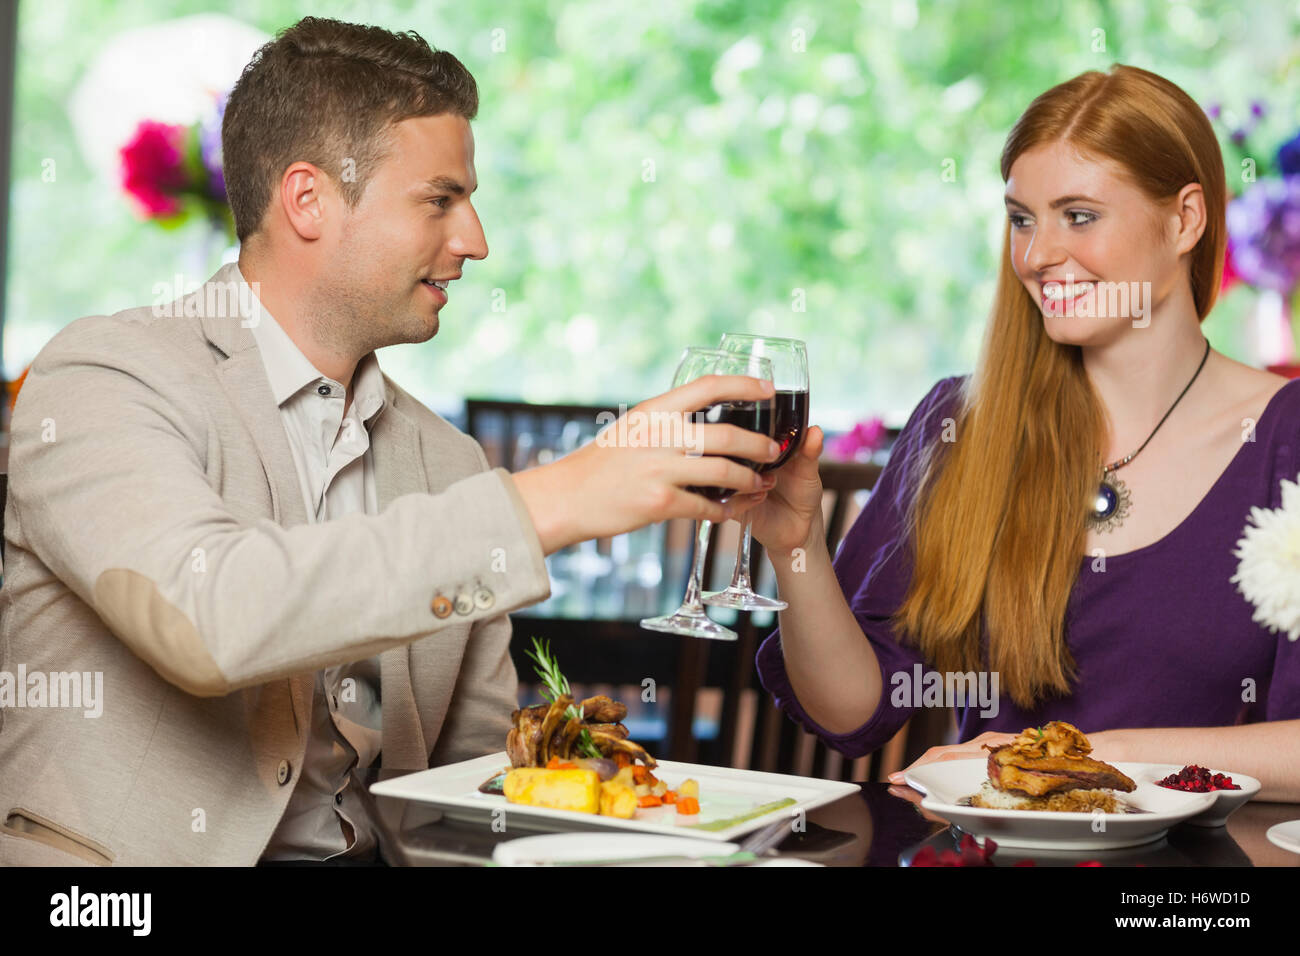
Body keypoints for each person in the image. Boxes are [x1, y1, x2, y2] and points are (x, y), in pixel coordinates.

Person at [0, 17, 781, 866]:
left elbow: (476, 786)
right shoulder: (103, 376)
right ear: (308, 200)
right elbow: (205, 620)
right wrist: (561, 495)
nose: (475, 241)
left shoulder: (445, 460)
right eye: (440, 199)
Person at [745, 64, 1300, 802]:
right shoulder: (961, 425)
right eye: (1021, 219)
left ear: (1185, 221)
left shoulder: (1286, 437)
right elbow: (853, 707)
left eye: (1079, 215)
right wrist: (795, 548)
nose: (1037, 256)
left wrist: (1094, 758)